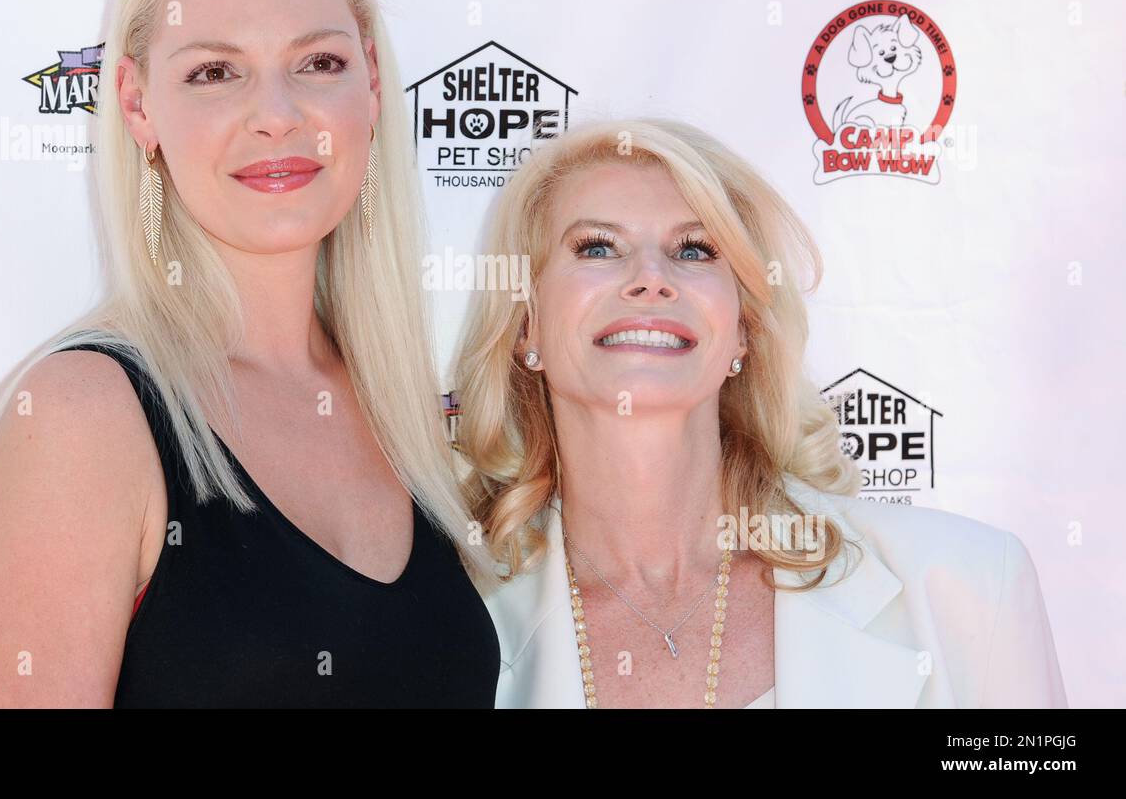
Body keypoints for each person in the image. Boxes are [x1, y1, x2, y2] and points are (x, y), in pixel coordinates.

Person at [0, 0, 500, 707]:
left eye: (318, 63)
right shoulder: (84, 416)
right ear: (137, 105)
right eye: (215, 72)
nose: (277, 116)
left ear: (373, 82)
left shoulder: (403, 413)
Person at [453, 117, 1067, 708]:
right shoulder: (440, 613)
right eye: (597, 246)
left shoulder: (969, 588)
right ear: (525, 322)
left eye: (695, 250)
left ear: (742, 332)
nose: (650, 278)